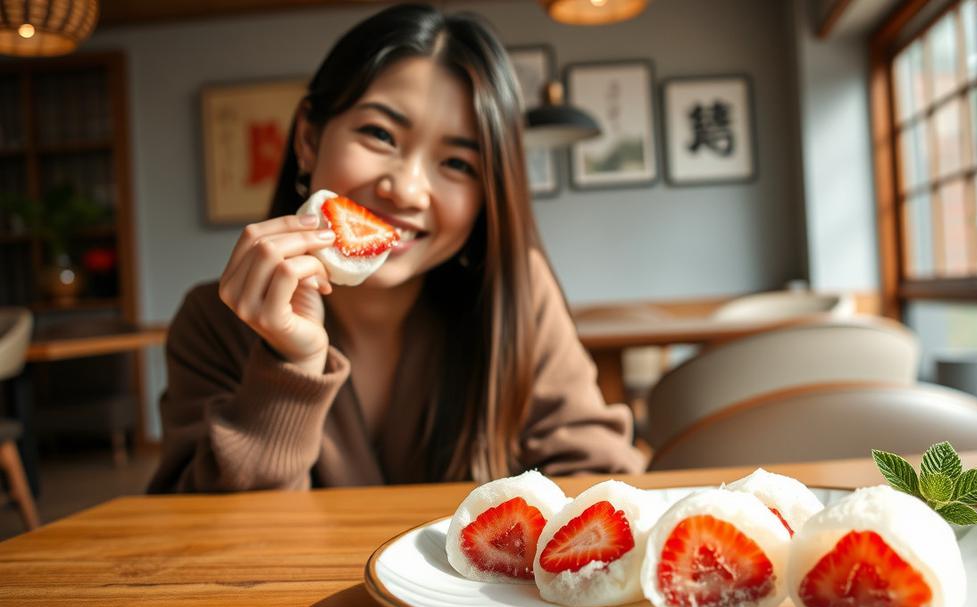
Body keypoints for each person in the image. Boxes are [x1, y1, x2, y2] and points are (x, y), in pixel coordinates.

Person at [149, 4, 645, 492]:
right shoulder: (212, 322)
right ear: (308, 137)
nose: (406, 191)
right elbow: (211, 541)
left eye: (457, 164)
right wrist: (291, 367)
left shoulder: (515, 292)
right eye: (380, 134)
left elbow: (596, 485)